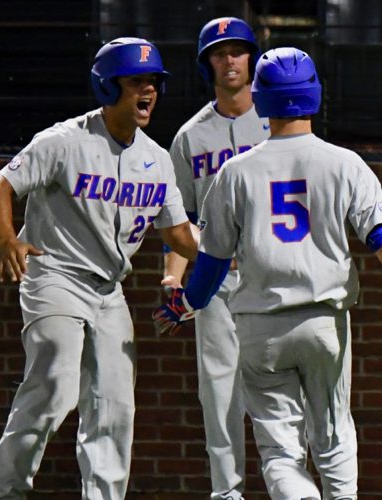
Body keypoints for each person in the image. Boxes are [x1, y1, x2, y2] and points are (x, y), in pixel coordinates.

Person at [154, 47, 382, 500]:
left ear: (260, 100)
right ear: (315, 95)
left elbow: (213, 262)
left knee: (282, 454)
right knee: (334, 433)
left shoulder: (234, 173)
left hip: (260, 327)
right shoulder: (345, 163)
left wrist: (186, 302)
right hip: (324, 323)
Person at [0, 37, 197, 499]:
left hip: (109, 291)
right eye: (136, 80)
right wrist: (6, 240)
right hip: (55, 275)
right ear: (106, 86)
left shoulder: (157, 160)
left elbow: (179, 235)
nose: (149, 89)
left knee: (114, 407)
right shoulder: (64, 141)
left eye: (154, 81)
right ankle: (5, 492)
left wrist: (228, 256)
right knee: (55, 384)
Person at [161, 17, 269, 499]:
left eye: (238, 51)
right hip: (216, 278)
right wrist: (172, 279)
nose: (230, 60)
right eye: (220, 53)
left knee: (276, 389)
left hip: (272, 273)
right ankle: (227, 493)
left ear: (252, 57)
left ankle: (288, 486)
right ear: (208, 63)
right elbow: (178, 220)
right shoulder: (189, 136)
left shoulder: (276, 120)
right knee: (219, 391)